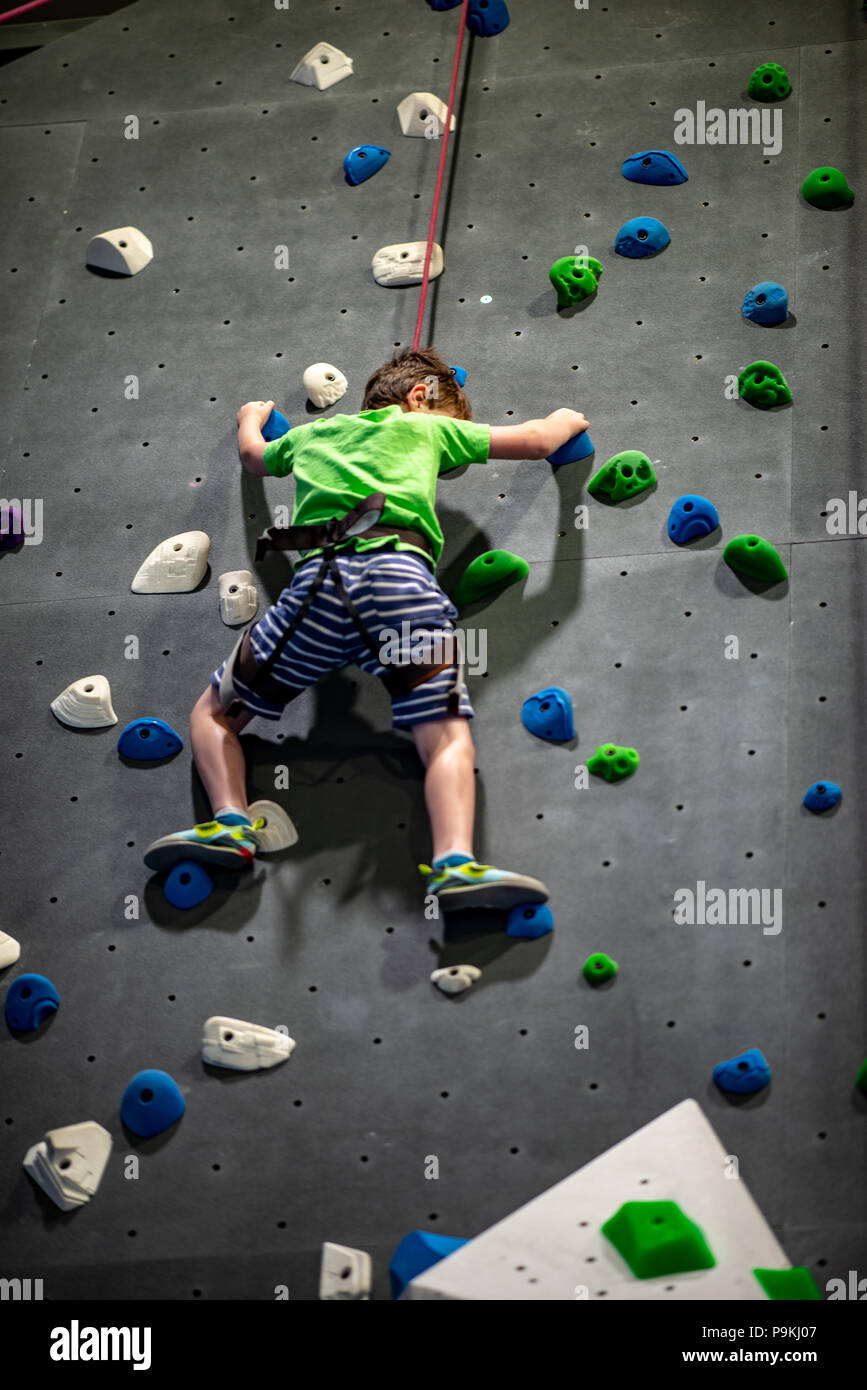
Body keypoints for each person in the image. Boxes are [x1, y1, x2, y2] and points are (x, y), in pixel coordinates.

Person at [143, 347, 588, 911]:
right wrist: (566, 421)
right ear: (421, 397)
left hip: (316, 593)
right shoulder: (424, 426)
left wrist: (249, 419)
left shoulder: (309, 438)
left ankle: (230, 823)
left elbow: (253, 458)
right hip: (400, 585)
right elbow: (537, 440)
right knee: (446, 735)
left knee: (212, 714)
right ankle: (454, 863)